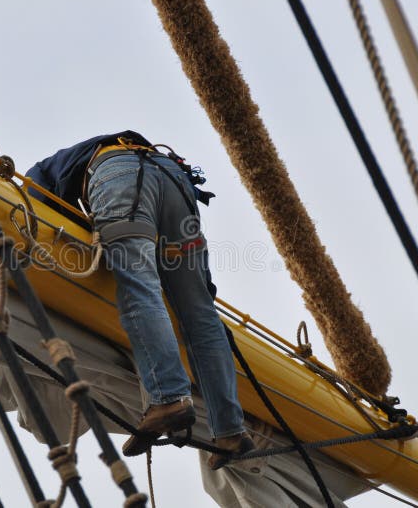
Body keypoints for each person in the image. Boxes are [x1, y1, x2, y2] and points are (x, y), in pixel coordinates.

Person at [27, 131, 253, 469]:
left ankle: (167, 400)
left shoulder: (43, 171)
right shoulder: (86, 152)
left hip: (118, 178)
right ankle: (230, 430)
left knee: (140, 288)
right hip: (175, 182)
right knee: (200, 313)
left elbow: (36, 198)